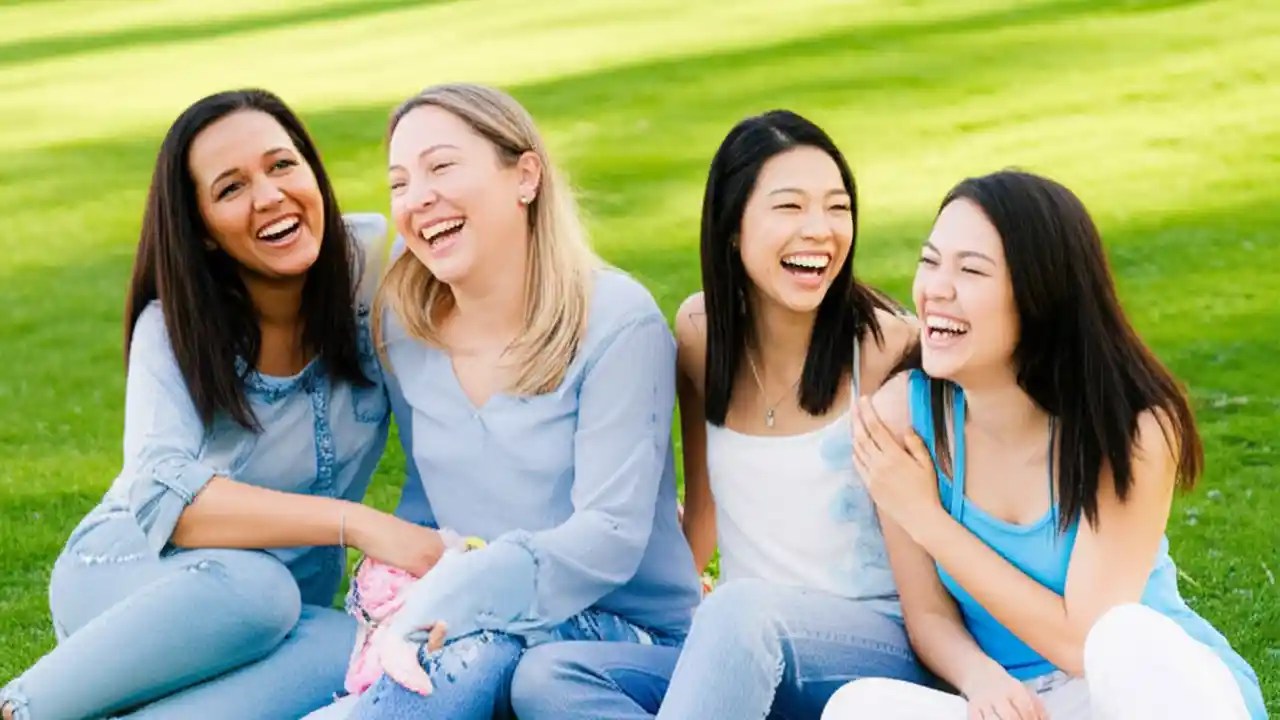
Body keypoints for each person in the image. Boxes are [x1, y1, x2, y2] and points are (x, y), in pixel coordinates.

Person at [0, 88, 437, 720]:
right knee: (257, 590)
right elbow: (162, 499)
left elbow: (457, 394)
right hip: (137, 577)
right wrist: (354, 521)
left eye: (282, 165)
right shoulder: (172, 327)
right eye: (231, 188)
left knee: (355, 650)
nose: (269, 196)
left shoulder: (373, 267)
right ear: (202, 231)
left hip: (287, 613)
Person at [515, 109, 929, 720]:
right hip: (742, 642)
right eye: (789, 207)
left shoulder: (891, 348)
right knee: (550, 676)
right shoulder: (701, 336)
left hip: (872, 649)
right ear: (733, 226)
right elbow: (703, 510)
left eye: (837, 208)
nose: (820, 230)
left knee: (739, 611)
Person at [824, 169, 1266, 719]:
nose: (936, 288)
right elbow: (929, 616)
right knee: (858, 707)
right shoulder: (903, 418)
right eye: (930, 261)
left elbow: (1083, 642)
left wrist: (926, 517)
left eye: (971, 270)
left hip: (1146, 690)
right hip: (1028, 705)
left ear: (1038, 294)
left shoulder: (1133, 428)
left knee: (1122, 635)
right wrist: (981, 679)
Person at [343, 82, 700, 720]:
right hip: (475, 617)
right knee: (454, 652)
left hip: (623, 641)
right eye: (399, 183)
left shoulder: (618, 323)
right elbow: (426, 502)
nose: (418, 197)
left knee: (479, 646)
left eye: (441, 166)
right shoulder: (404, 323)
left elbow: (609, 538)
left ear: (526, 176)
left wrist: (459, 592)